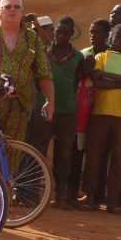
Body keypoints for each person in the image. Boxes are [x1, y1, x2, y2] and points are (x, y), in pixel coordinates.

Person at [0, 0, 53, 148]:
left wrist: (50, 101)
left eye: (17, 6)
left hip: (19, 104)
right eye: (7, 6)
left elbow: (43, 71)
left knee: (11, 152)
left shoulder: (32, 38)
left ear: (22, 12)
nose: (12, 9)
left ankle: (6, 174)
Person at [78, 24, 121, 214]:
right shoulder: (100, 57)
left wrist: (106, 75)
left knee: (118, 159)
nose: (120, 40)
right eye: (116, 37)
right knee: (94, 156)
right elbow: (97, 83)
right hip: (100, 113)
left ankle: (113, 202)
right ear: (110, 39)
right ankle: (90, 197)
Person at [29, 16, 83, 208]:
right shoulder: (43, 53)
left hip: (67, 111)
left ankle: (60, 197)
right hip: (44, 109)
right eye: (58, 31)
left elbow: (76, 82)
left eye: (65, 33)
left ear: (71, 34)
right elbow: (37, 78)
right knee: (38, 149)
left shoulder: (78, 57)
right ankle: (35, 196)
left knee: (64, 154)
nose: (60, 35)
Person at [70, 18, 112, 206]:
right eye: (91, 32)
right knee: (76, 154)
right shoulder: (83, 54)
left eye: (97, 32)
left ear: (106, 34)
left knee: (99, 157)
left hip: (102, 111)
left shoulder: (112, 56)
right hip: (81, 114)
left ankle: (95, 196)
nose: (93, 35)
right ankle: (73, 194)